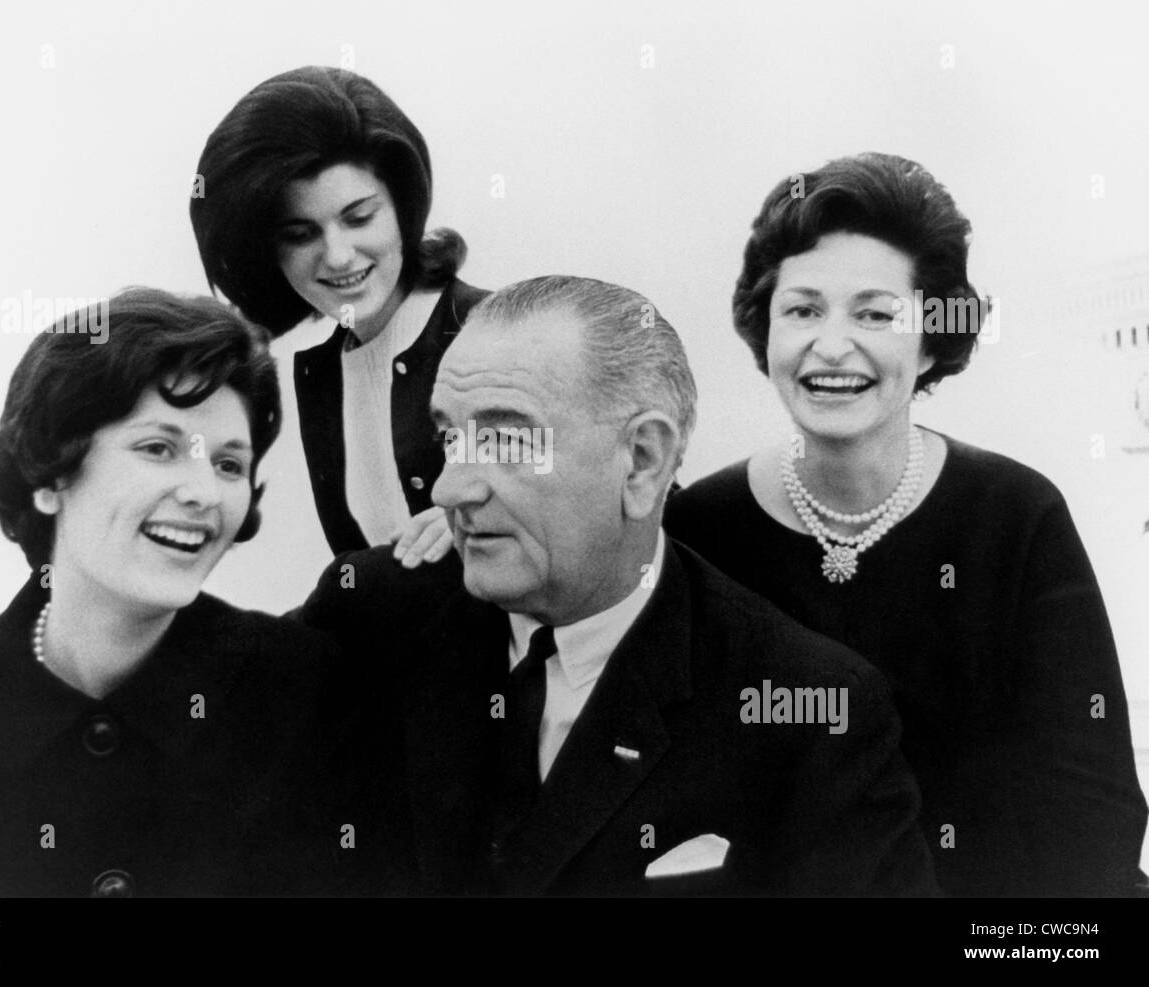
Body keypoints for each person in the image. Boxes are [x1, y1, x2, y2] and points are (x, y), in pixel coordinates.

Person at [301, 275, 936, 896]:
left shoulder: (807, 712)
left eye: (505, 438)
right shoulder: (366, 617)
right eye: (449, 437)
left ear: (642, 460)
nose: (448, 489)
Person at [664, 152, 1148, 897]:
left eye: (874, 312)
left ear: (931, 339)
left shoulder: (1015, 517)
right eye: (802, 309)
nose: (832, 345)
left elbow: (1093, 804)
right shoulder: (704, 525)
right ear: (765, 330)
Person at [0, 289, 348, 897]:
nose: (203, 494)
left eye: (228, 464)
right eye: (158, 449)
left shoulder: (312, 692)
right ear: (51, 475)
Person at [191, 66, 488, 566]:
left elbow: (637, 501)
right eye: (300, 234)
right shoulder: (322, 372)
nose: (338, 257)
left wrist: (504, 509)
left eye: (359, 217)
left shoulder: (501, 329)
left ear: (402, 205)